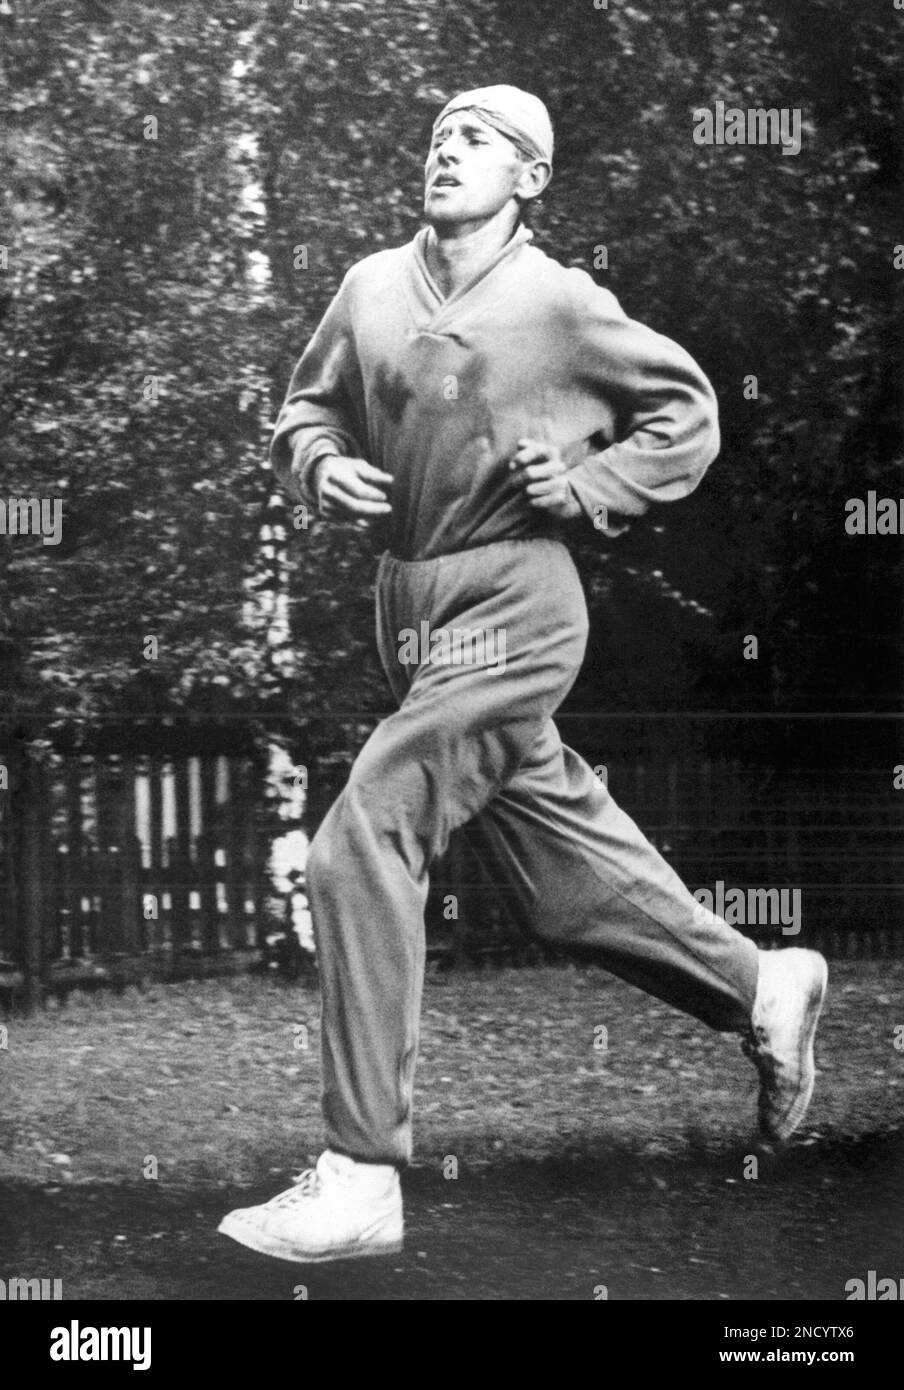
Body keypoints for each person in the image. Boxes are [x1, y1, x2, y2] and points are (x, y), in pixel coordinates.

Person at [218, 85, 827, 1265]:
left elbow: (685, 411)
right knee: (563, 887)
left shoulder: (558, 301)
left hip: (515, 602)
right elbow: (304, 407)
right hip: (410, 605)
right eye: (439, 138)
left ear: (529, 178)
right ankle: (763, 986)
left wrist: (591, 488)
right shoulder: (369, 289)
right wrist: (319, 463)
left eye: (479, 142)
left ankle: (360, 1171)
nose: (448, 152)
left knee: (361, 838)